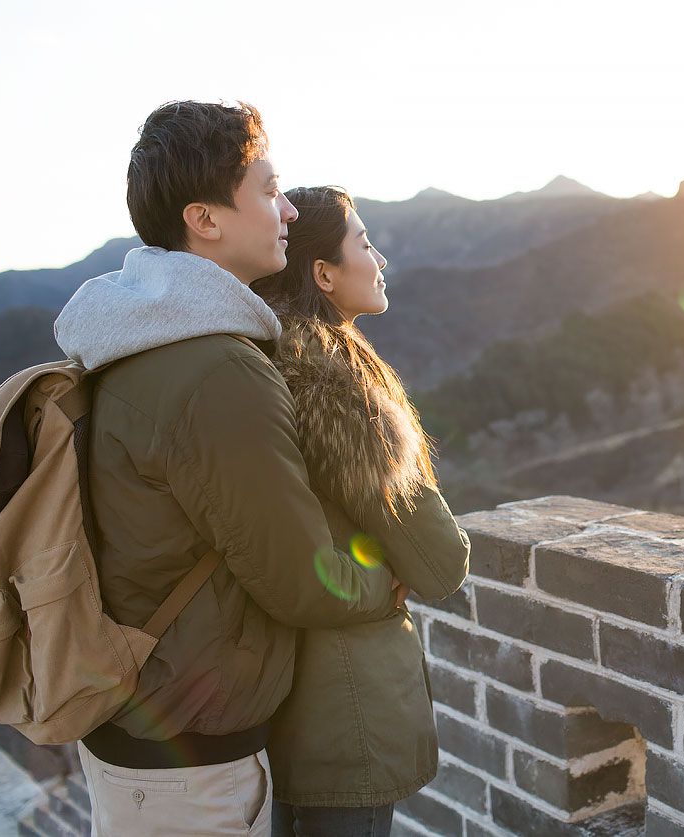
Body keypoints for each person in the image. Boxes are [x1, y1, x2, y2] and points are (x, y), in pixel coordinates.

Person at [52, 103, 402, 836]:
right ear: (205, 219)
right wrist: (385, 582)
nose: (291, 206)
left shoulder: (133, 338)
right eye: (269, 189)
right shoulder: (216, 368)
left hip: (141, 721)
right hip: (190, 752)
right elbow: (302, 577)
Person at [251, 185, 470, 837]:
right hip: (346, 716)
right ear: (323, 273)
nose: (379, 260)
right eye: (364, 243)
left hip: (275, 707)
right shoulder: (342, 391)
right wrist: (387, 578)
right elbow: (441, 562)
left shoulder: (254, 364)